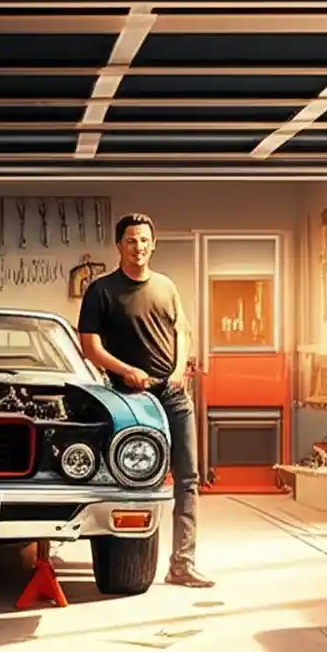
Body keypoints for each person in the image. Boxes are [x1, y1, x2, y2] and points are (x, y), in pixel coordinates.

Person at [76, 212, 215, 589]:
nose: (138, 247)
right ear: (119, 246)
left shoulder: (167, 286)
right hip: (130, 397)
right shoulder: (101, 290)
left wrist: (179, 369)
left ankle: (183, 563)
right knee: (133, 478)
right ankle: (126, 563)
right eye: (131, 240)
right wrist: (124, 370)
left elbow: (181, 329)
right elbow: (90, 347)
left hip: (172, 393)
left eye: (144, 240)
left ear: (153, 244)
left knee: (188, 478)